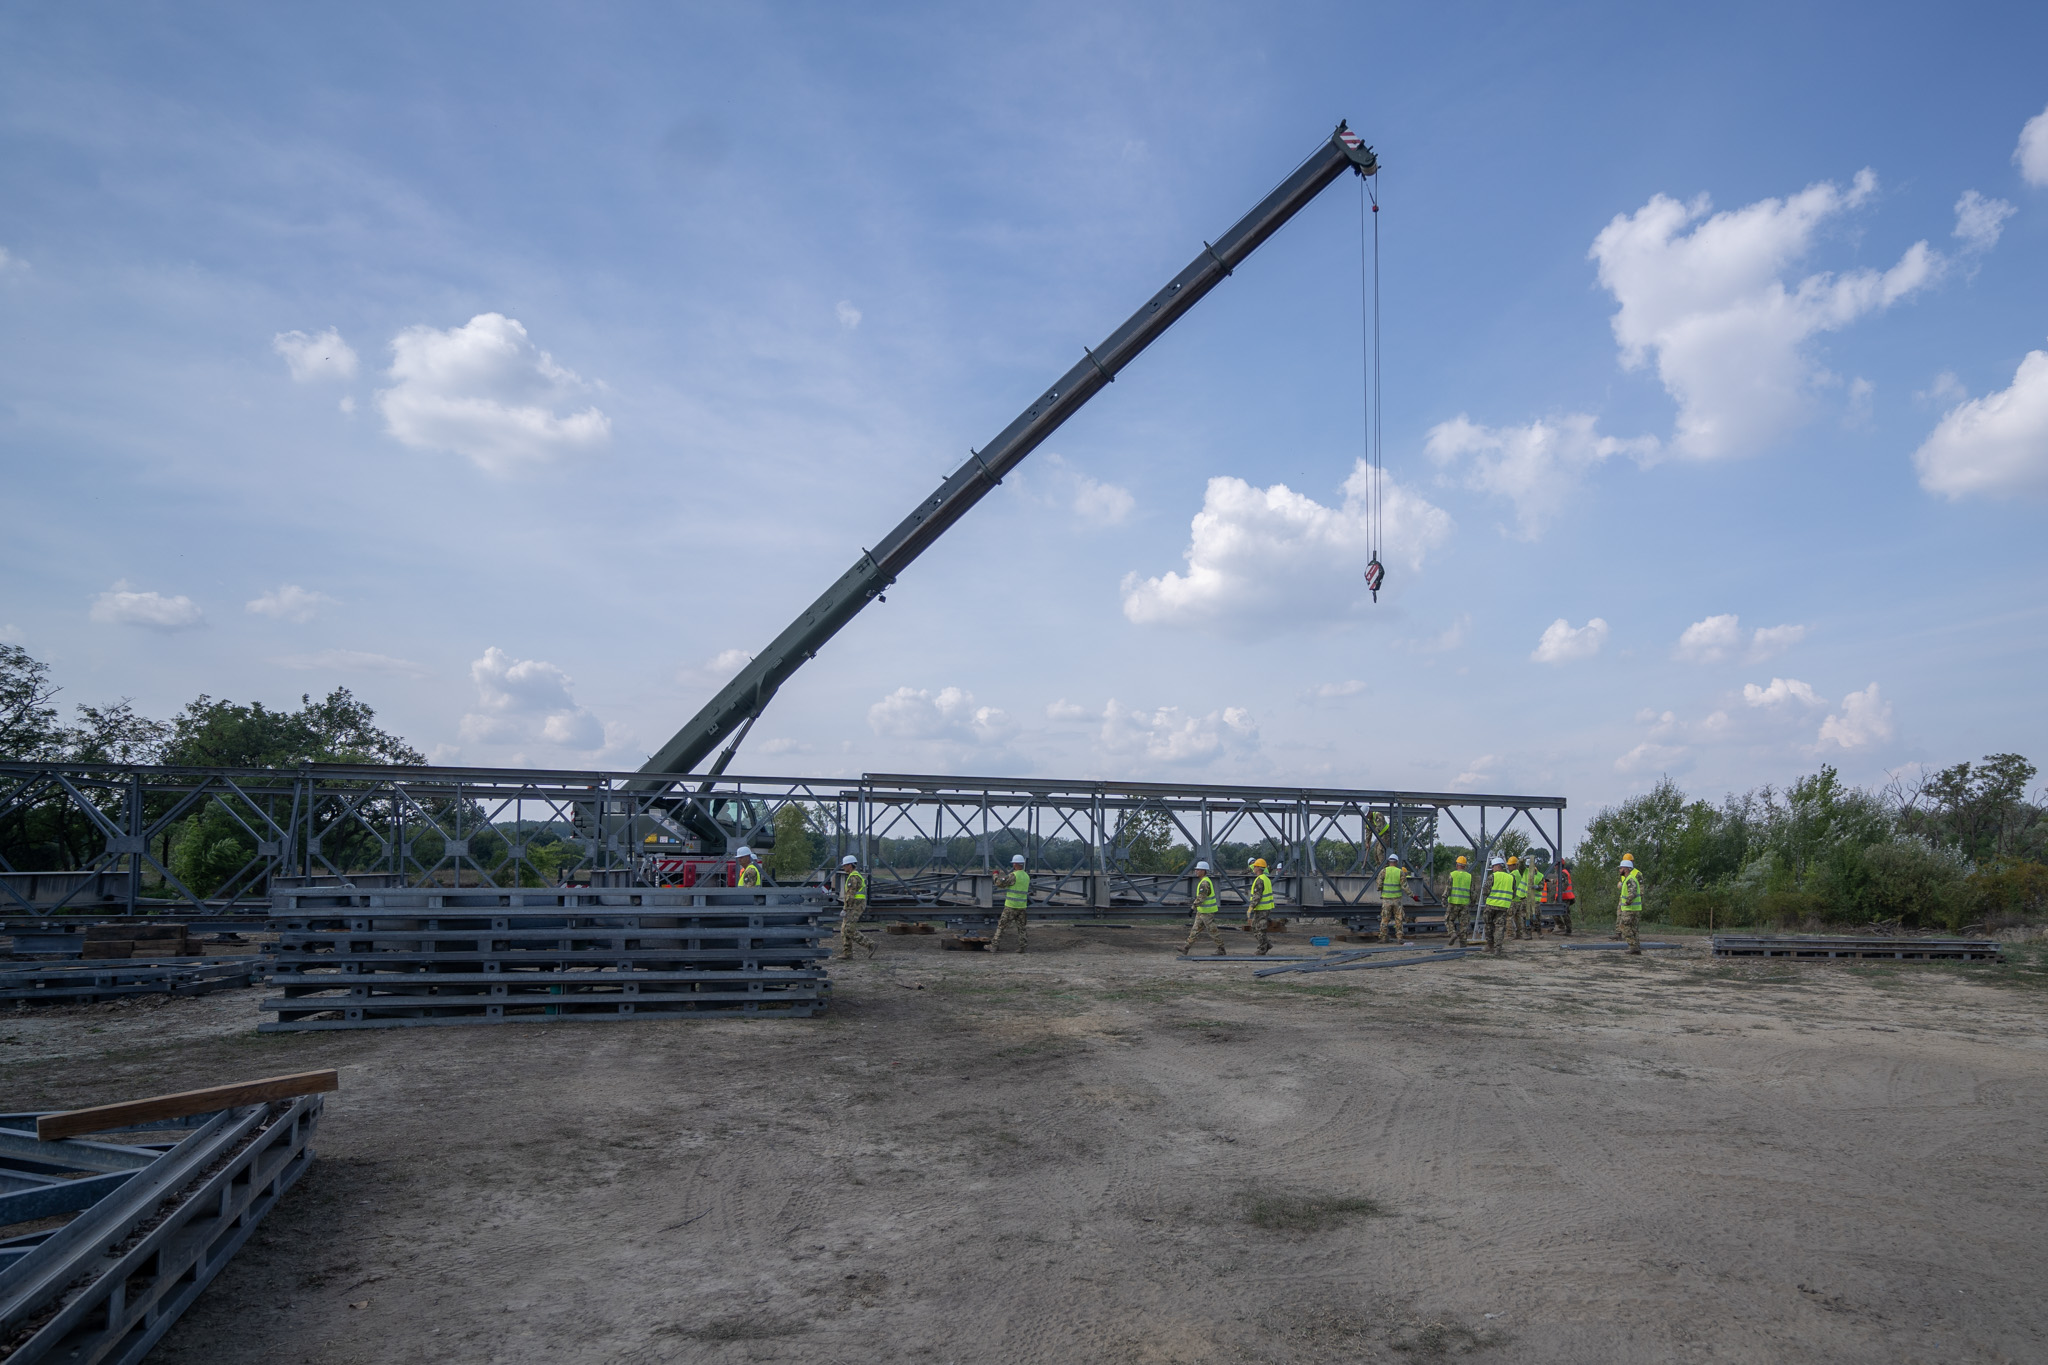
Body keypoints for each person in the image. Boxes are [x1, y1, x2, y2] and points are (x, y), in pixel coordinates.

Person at [1181, 860, 1225, 955]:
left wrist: (1192, 908)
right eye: (1196, 869)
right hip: (1202, 911)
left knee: (1212, 931)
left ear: (1203, 871)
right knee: (1195, 930)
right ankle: (1185, 948)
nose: (1196, 871)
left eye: (1198, 870)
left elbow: (1201, 897)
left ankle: (1221, 950)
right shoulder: (1204, 881)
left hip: (1207, 912)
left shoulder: (1204, 883)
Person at [835, 854, 874, 961]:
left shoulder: (853, 878)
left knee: (848, 929)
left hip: (855, 906)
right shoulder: (855, 876)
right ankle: (847, 953)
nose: (843, 867)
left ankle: (870, 944)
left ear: (850, 865)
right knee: (844, 929)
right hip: (855, 906)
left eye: (845, 865)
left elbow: (850, 896)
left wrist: (845, 909)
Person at [989, 853, 1030, 953]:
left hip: (1011, 906)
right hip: (1022, 907)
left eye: (1013, 863)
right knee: (1021, 928)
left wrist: (995, 875)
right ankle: (1022, 947)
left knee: (1001, 926)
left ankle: (994, 946)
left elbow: (999, 883)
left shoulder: (1013, 875)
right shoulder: (1026, 876)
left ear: (1015, 864)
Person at [1483, 856, 1516, 955]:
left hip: (1491, 905)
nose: (1492, 869)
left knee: (1488, 926)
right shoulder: (1511, 877)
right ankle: (1498, 949)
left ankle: (1490, 946)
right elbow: (1514, 893)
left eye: (1493, 866)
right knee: (1500, 927)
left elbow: (1485, 891)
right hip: (1503, 906)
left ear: (1497, 866)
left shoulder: (1492, 877)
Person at [1245, 858, 1276, 955]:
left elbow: (1257, 896)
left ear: (1259, 868)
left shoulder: (1260, 880)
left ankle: (1262, 948)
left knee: (1258, 928)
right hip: (1264, 908)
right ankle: (1266, 944)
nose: (1253, 868)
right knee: (1256, 927)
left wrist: (1250, 908)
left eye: (1255, 866)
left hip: (1261, 909)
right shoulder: (1265, 879)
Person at [1616, 854, 1644, 955]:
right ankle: (1636, 947)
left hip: (1630, 908)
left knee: (1624, 926)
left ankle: (1633, 946)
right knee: (1633, 928)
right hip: (1633, 908)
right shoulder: (1629, 878)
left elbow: (1632, 892)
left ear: (1626, 869)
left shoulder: (1630, 879)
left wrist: (1627, 902)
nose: (1620, 870)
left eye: (1621, 868)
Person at [1444, 854, 1473, 948]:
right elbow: (1473, 891)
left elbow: (1448, 889)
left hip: (1453, 902)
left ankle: (1452, 933)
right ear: (1465, 866)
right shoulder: (1469, 876)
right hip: (1464, 903)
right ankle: (1463, 945)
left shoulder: (1452, 874)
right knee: (1464, 924)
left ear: (1457, 865)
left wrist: (1444, 898)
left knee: (1448, 920)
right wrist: (1473, 902)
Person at [1378, 854, 1408, 943]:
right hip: (1397, 900)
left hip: (1386, 900)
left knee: (1385, 919)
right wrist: (1412, 895)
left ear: (1389, 862)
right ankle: (1399, 938)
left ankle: (1383, 937)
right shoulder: (1400, 872)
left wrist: (1381, 889)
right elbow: (1405, 886)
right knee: (1398, 919)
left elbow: (1379, 884)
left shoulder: (1383, 871)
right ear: (1396, 862)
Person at [1544, 860, 1576, 935]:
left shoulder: (1563, 873)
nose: (1554, 867)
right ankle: (1562, 927)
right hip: (1562, 897)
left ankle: (1567, 929)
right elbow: (1559, 881)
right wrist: (1549, 880)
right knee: (1556, 911)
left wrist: (1560, 893)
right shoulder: (1562, 873)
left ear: (1559, 865)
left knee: (1564, 913)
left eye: (1556, 865)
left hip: (1565, 897)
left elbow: (1565, 884)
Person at [1522, 857, 1545, 937]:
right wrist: (1523, 859)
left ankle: (1539, 932)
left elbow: (1542, 886)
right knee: (1526, 917)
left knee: (1536, 917)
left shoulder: (1539, 875)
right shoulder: (1525, 872)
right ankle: (1528, 934)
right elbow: (1520, 866)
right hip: (1526, 898)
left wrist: (1537, 887)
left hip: (1535, 900)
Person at [1505, 856, 1528, 939]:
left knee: (1509, 917)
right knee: (1518, 918)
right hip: (1519, 899)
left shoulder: (1512, 875)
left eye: (1510, 865)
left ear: (1515, 865)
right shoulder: (1519, 874)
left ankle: (1510, 935)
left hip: (1513, 900)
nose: (1508, 866)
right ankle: (1520, 934)